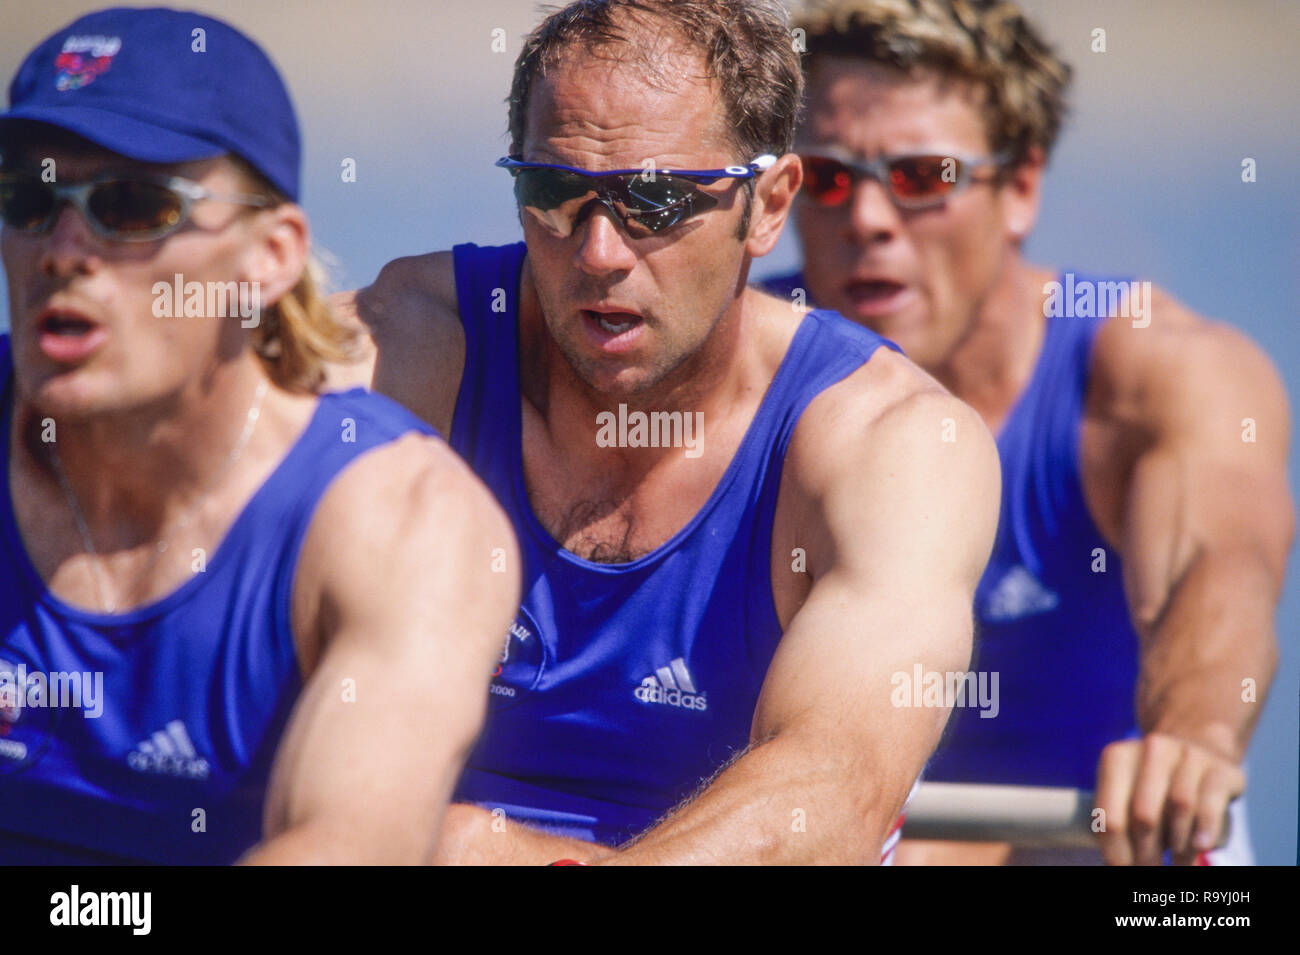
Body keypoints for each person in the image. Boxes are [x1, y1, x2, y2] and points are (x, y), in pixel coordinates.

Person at [340, 0, 1001, 865]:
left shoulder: (893, 444)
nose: (599, 251)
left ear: (768, 205)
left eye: (652, 200)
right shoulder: (406, 350)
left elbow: (827, 798)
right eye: (555, 193)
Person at [769, 0, 1294, 865]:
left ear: (1019, 189)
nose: (866, 218)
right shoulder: (738, 354)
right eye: (827, 178)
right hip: (851, 826)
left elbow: (1221, 560)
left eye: (922, 175)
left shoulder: (1159, 369)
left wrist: (1195, 734)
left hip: (1115, 829)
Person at [0, 7, 519, 864]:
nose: (63, 249)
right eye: (27, 198)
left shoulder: (403, 521)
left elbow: (352, 845)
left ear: (270, 257)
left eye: (130, 206)